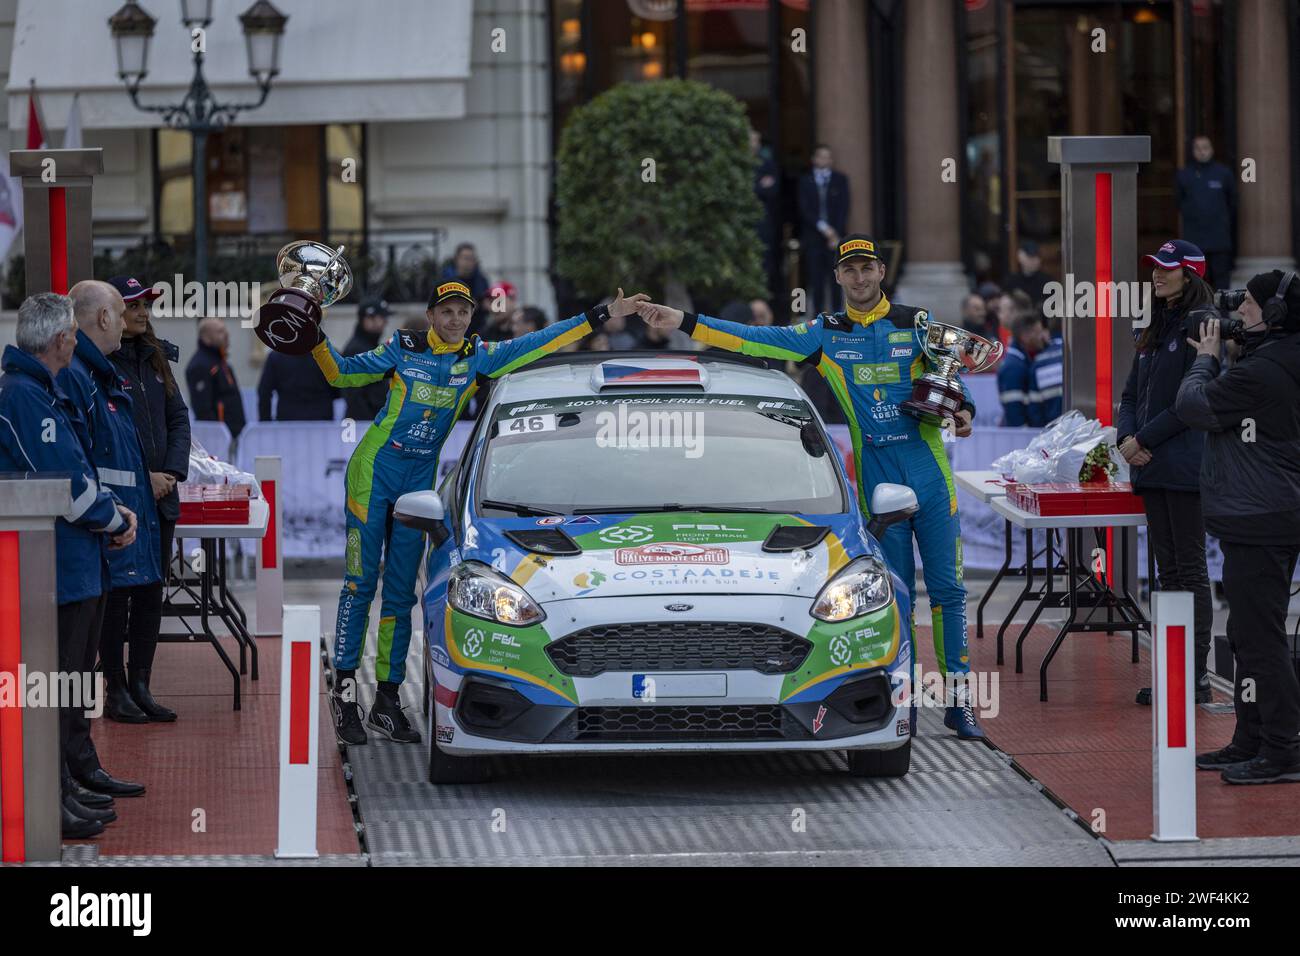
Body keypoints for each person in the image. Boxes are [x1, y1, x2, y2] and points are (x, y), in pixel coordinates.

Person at [638, 234, 984, 739]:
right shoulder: (824, 333)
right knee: (896, 596)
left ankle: (961, 702)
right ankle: (902, 702)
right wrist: (686, 322)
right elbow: (754, 338)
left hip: (930, 474)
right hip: (877, 478)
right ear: (839, 278)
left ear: (882, 271)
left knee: (950, 592)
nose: (860, 278)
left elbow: (953, 376)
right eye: (851, 271)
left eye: (868, 269)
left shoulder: (917, 322)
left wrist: (966, 408)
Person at [310, 279, 649, 746]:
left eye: (462, 312)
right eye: (446, 312)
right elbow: (341, 375)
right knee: (360, 581)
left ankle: (386, 701)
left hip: (417, 482)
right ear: (430, 316)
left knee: (400, 594)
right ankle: (345, 692)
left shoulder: (478, 356)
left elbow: (538, 342)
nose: (454, 320)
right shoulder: (403, 348)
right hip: (374, 473)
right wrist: (314, 338)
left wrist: (602, 314)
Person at [0, 292, 143, 838]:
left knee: (71, 682)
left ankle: (66, 783)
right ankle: (51, 792)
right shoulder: (25, 397)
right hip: (54, 568)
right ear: (62, 340)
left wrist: (109, 516)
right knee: (56, 686)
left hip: (70, 562)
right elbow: (64, 483)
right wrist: (115, 519)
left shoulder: (38, 390)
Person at [1176, 271, 1300, 784]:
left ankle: (1282, 750)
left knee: (1259, 636)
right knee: (1246, 634)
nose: (1237, 311)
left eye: (1247, 303)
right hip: (1263, 514)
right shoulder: (1277, 357)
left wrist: (1205, 359)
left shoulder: (1266, 370)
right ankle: (1250, 739)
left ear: (1274, 315)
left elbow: (1194, 406)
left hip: (1262, 517)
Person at [1118, 241, 1215, 708]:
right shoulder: (1154, 325)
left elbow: (1188, 403)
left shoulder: (1201, 324)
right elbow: (1131, 394)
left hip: (1184, 467)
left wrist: (1141, 442)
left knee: (1188, 571)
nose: (1157, 275)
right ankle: (1176, 672)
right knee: (1167, 572)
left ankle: (1194, 675)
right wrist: (1124, 438)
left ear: (1190, 275)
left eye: (1167, 269)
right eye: (1154, 268)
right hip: (1152, 468)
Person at [104, 276, 190, 723]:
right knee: (118, 595)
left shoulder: (157, 359)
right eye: (133, 305)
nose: (142, 312)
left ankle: (141, 684)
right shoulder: (103, 361)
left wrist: (171, 473)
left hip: (161, 498)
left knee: (151, 593)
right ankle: (115, 689)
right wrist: (146, 478)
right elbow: (105, 437)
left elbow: (178, 417)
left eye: (146, 305)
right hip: (123, 502)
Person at [1177, 136, 1236, 290]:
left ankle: (1223, 313)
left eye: (1205, 148)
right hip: (1194, 240)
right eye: (1198, 148)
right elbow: (1178, 202)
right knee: (1196, 281)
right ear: (1193, 151)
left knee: (1221, 280)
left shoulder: (1224, 174)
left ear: (1212, 150)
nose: (1202, 152)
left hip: (1219, 239)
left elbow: (1233, 203)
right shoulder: (1184, 175)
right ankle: (1198, 312)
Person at [798, 144, 850, 315]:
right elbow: (804, 209)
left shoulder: (840, 179)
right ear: (814, 159)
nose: (824, 160)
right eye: (821, 156)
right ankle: (817, 317)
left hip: (834, 238)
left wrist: (835, 233)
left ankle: (838, 315)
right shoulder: (805, 181)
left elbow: (844, 208)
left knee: (837, 278)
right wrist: (824, 228)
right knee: (816, 279)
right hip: (814, 236)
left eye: (828, 157)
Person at [185, 317, 246, 440]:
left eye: (225, 330)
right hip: (218, 440)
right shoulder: (200, 366)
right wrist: (217, 437)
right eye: (220, 332)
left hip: (233, 434)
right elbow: (203, 410)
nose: (226, 335)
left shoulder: (220, 362)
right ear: (206, 338)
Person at [342, 299, 392, 423]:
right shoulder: (357, 350)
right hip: (364, 423)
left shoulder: (371, 347)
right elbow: (354, 395)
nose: (385, 323)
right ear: (368, 319)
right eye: (382, 317)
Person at [258, 348, 339, 421]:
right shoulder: (330, 355)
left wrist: (265, 422)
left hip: (287, 420)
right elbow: (340, 389)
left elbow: (264, 392)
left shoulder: (276, 356)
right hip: (322, 420)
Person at [998, 314, 1047, 426]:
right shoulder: (1013, 368)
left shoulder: (1021, 361)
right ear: (1025, 336)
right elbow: (1014, 411)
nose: (1043, 337)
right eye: (1038, 332)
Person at [752, 127, 782, 302]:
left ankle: (764, 299)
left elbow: (773, 190)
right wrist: (759, 185)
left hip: (764, 222)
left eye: (756, 140)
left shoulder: (768, 164)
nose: (754, 144)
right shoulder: (739, 163)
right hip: (743, 223)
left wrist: (756, 187)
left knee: (766, 262)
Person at [1029, 323, 1064, 424]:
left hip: (1052, 431)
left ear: (1047, 332)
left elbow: (1035, 410)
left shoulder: (1038, 362)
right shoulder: (1080, 353)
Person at [1004, 240, 1052, 309]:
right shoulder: (1011, 281)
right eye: (1030, 256)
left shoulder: (1048, 282)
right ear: (1020, 257)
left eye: (1037, 257)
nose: (1035, 260)